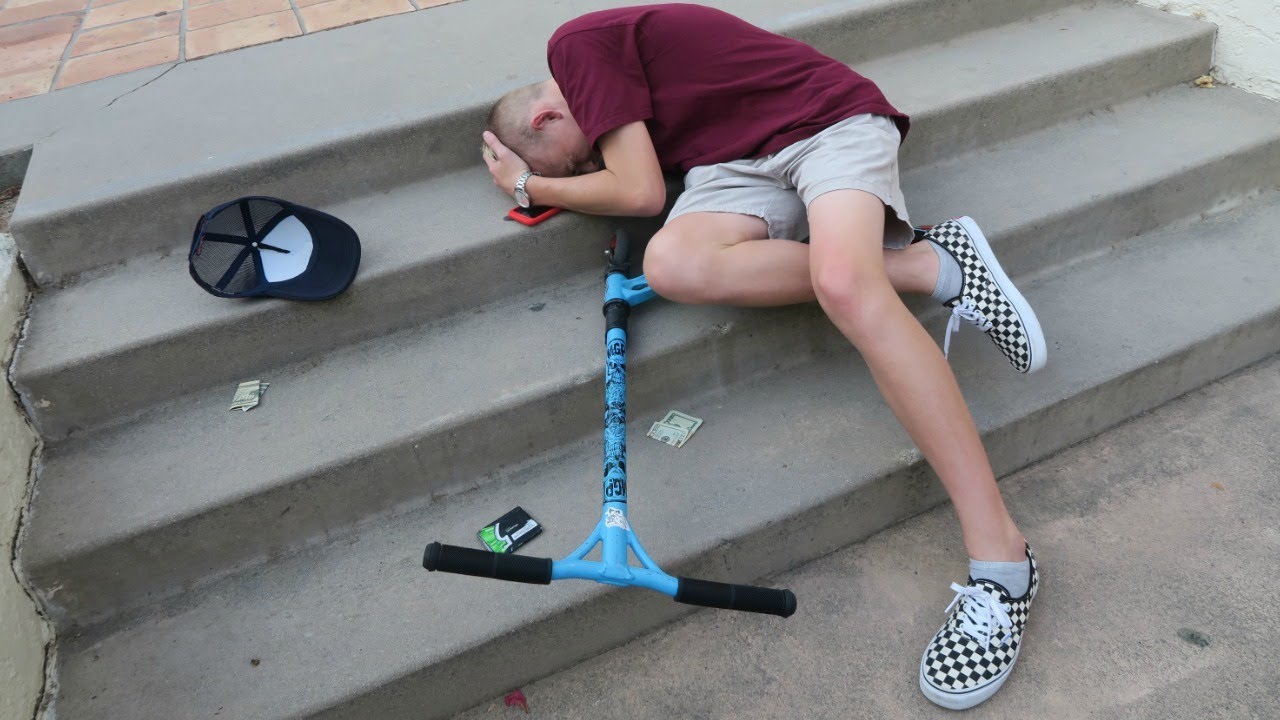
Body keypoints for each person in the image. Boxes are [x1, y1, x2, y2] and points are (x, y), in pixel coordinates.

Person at [480, 4, 1046, 710]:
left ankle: (1004, 564)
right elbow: (642, 186)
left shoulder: (575, 45)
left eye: (579, 160)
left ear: (544, 117)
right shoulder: (617, 93)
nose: (592, 165)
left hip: (824, 123)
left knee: (846, 286)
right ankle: (928, 264)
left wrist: (529, 185)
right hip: (728, 169)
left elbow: (639, 191)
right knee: (670, 263)